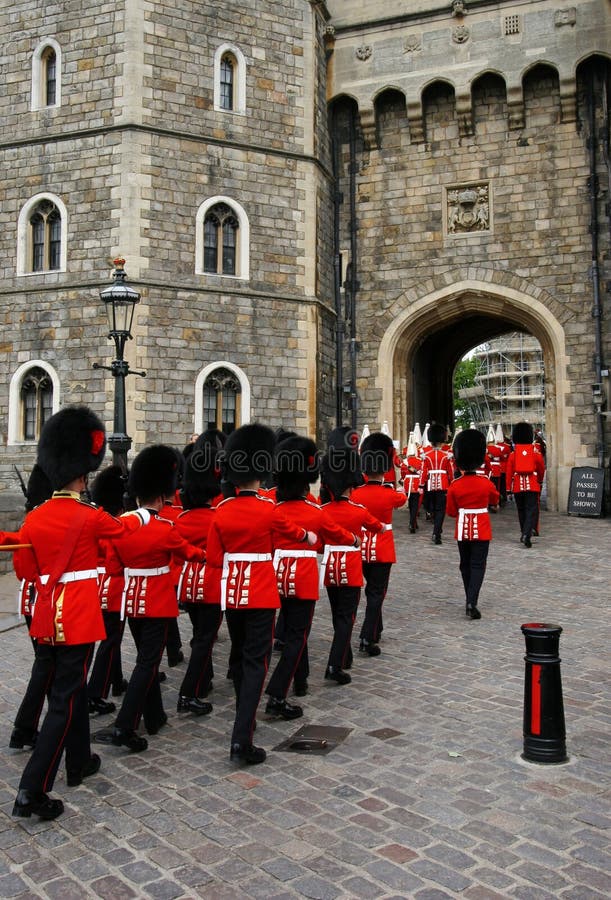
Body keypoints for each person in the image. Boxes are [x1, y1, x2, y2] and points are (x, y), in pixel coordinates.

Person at [6, 406, 151, 821]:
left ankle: (79, 760)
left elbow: (27, 571)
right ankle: (32, 790)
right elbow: (125, 532)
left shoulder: (34, 519)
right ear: (83, 474)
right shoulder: (89, 517)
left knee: (64, 691)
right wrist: (143, 512)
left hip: (46, 614)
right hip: (79, 617)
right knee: (65, 702)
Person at [204, 423, 317, 765]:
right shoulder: (269, 510)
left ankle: (245, 715)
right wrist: (309, 540)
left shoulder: (221, 512)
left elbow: (212, 558)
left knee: (238, 659)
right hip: (262, 594)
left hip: (233, 594)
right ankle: (242, 737)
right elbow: (295, 532)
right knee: (256, 663)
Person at [99, 445, 205, 752]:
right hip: (157, 602)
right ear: (161, 496)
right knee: (147, 663)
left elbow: (113, 567)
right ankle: (124, 725)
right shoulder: (164, 528)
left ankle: (154, 716)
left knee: (146, 658)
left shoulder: (121, 527)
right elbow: (189, 553)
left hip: (131, 601)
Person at [264, 435, 358, 715]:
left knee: (292, 629)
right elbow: (335, 534)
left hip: (277, 574)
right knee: (298, 634)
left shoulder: (274, 510)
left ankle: (301, 680)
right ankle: (278, 694)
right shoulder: (314, 512)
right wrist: (353, 540)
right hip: (303, 576)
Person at [319, 427, 385, 685]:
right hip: (350, 568)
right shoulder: (357, 511)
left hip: (329, 568)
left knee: (337, 614)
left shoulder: (323, 510)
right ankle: (335, 664)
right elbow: (377, 527)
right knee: (347, 617)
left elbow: (320, 544)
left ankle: (344, 655)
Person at [174, 429, 225, 714]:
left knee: (198, 635)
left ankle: (204, 679)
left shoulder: (181, 519)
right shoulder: (216, 519)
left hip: (188, 584)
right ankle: (188, 692)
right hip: (211, 584)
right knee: (205, 640)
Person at [9, 464, 54, 750]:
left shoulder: (33, 520)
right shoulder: (38, 521)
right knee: (45, 665)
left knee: (46, 666)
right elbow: (24, 568)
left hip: (34, 599)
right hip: (41, 599)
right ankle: (25, 727)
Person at [351, 432, 407, 656]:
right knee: (376, 593)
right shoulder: (389, 494)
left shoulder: (356, 494)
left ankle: (377, 628)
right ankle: (367, 636)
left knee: (372, 591)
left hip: (361, 549)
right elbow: (403, 497)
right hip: (382, 549)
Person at [87, 465, 130, 716]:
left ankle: (116, 679)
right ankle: (95, 693)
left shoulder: (95, 520)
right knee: (110, 639)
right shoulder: (114, 525)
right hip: (113, 586)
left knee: (107, 639)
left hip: (94, 584)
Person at [446, 429, 500, 620]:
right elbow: (495, 500)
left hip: (462, 530)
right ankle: (472, 601)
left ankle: (469, 598)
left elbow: (451, 512)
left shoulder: (455, 485)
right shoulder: (485, 483)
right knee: (478, 565)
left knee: (465, 565)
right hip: (482, 529)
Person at [506, 422, 546, 548]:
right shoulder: (535, 453)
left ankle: (524, 531)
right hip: (532, 485)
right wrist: (539, 481)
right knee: (531, 510)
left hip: (518, 485)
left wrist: (508, 488)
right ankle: (526, 534)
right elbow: (541, 469)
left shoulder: (513, 455)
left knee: (521, 510)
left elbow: (508, 472)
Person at [420, 423, 454, 544]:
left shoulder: (426, 456)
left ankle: (437, 528)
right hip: (443, 485)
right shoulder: (446, 456)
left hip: (429, 485)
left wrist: (420, 485)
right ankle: (436, 532)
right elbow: (450, 472)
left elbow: (423, 472)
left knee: (432, 508)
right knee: (440, 510)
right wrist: (453, 483)